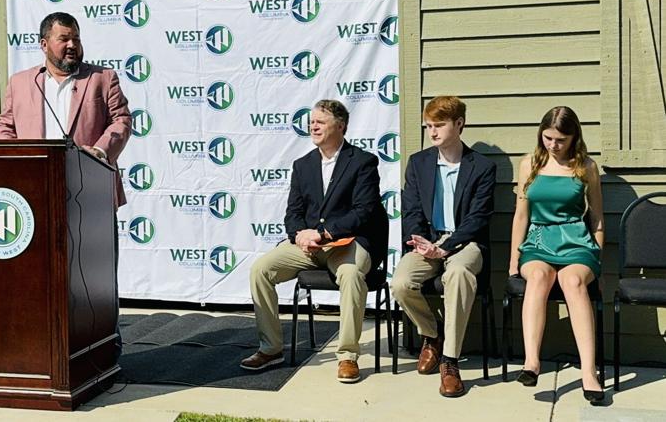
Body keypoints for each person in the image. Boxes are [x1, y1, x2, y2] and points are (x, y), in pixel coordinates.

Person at [241, 99, 388, 383]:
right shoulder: (303, 165)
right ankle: (271, 349)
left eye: (321, 121)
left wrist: (324, 234)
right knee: (260, 270)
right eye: (311, 121)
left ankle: (347, 356)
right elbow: (293, 213)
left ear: (341, 126)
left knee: (350, 273)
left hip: (348, 243)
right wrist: (299, 235)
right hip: (310, 246)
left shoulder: (363, 162)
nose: (313, 125)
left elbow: (364, 212)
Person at [391, 96, 496, 397]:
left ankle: (450, 361)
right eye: (428, 126)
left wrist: (447, 247)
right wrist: (420, 241)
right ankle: (432, 334)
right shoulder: (419, 162)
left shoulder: (482, 167)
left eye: (439, 125)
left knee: (458, 274)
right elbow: (410, 209)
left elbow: (478, 217)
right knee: (400, 283)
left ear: (459, 124)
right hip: (428, 240)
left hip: (465, 242)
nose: (432, 131)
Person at [509, 106, 604, 404]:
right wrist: (514, 260)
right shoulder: (529, 165)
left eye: (561, 139)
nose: (553, 144)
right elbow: (521, 216)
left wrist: (597, 253)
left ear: (574, 137)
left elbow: (598, 218)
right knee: (538, 276)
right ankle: (531, 362)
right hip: (538, 240)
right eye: (548, 137)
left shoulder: (586, 166)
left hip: (576, 241)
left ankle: (589, 372)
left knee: (573, 282)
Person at [0, 11, 131, 206]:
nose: (72, 45)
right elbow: (3, 128)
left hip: (92, 187)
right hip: (35, 186)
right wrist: (19, 159)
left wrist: (100, 151)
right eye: (64, 39)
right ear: (44, 44)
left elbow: (121, 121)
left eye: (76, 39)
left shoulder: (103, 78)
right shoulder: (20, 82)